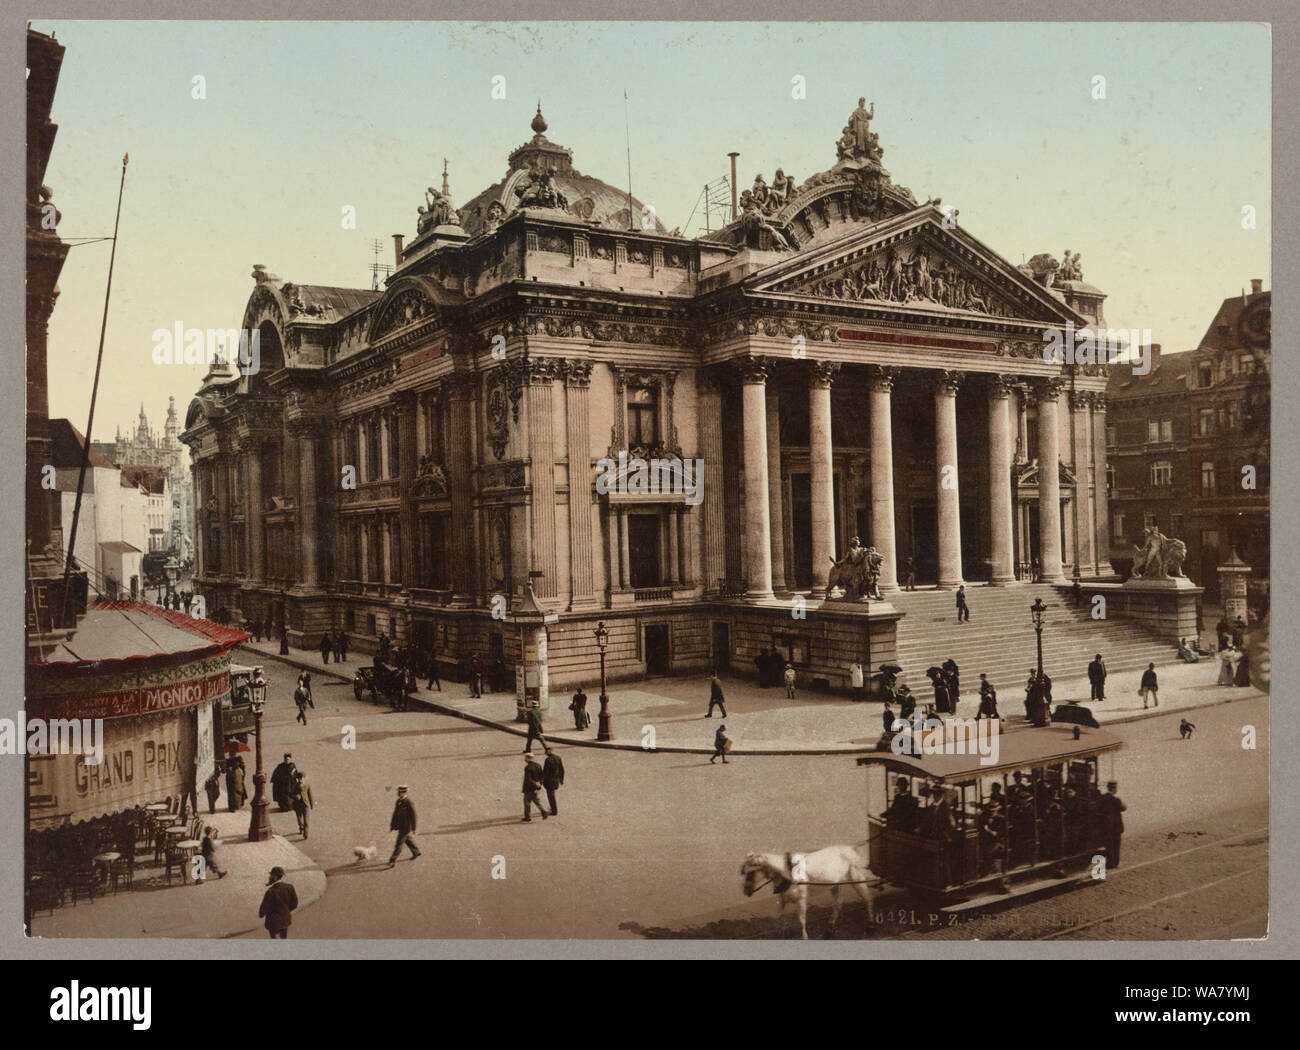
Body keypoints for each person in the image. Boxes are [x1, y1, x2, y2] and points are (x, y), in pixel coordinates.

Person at [258, 867, 298, 938]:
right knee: (283, 939)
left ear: (275, 877)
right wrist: (285, 911)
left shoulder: (270, 892)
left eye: (271, 875)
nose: (269, 877)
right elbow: (294, 904)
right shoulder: (290, 887)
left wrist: (262, 914)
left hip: (273, 923)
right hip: (285, 920)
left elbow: (262, 911)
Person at [388, 785, 422, 864]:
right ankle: (416, 852)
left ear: (405, 793)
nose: (399, 794)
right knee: (408, 840)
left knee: (399, 844)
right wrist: (392, 825)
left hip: (406, 827)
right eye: (399, 792)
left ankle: (393, 859)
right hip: (401, 826)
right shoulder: (398, 801)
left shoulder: (408, 802)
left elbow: (413, 816)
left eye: (401, 792)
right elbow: (395, 814)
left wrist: (414, 828)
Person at [1097, 781, 1126, 869]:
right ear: (1114, 788)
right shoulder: (1116, 799)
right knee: (1116, 845)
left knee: (1109, 845)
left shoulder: (1102, 798)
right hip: (1116, 826)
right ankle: (1114, 863)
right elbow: (1123, 808)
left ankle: (1110, 862)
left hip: (1105, 826)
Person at [522, 754, 549, 821]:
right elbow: (542, 776)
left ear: (528, 758)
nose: (525, 759)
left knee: (527, 802)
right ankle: (543, 811)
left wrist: (534, 784)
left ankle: (527, 817)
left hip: (529, 788)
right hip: (536, 787)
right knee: (536, 800)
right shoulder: (538, 765)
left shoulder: (528, 767)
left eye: (526, 758)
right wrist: (539, 784)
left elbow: (528, 779)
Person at [289, 770, 314, 839]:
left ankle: (305, 834)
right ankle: (301, 827)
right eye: (299, 779)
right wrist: (295, 796)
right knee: (300, 820)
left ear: (304, 778)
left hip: (306, 805)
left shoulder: (307, 785)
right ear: (297, 779)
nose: (301, 780)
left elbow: (310, 795)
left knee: (306, 821)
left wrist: (312, 804)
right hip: (298, 806)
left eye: (302, 778)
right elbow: (290, 794)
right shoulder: (295, 786)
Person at [542, 747, 565, 816]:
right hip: (556, 780)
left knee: (551, 796)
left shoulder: (548, 760)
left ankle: (554, 811)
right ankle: (553, 809)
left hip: (549, 781)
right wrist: (561, 779)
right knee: (552, 795)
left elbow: (545, 772)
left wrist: (542, 780)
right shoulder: (558, 758)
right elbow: (562, 770)